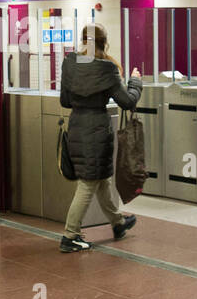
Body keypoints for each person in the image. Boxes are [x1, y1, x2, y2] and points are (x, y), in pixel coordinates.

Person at [58, 24, 142, 253]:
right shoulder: (107, 68)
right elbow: (127, 101)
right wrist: (136, 82)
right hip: (96, 129)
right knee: (87, 184)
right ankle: (70, 235)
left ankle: (118, 223)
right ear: (104, 43)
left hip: (77, 126)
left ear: (83, 40)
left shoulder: (70, 63)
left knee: (100, 178)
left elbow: (64, 101)